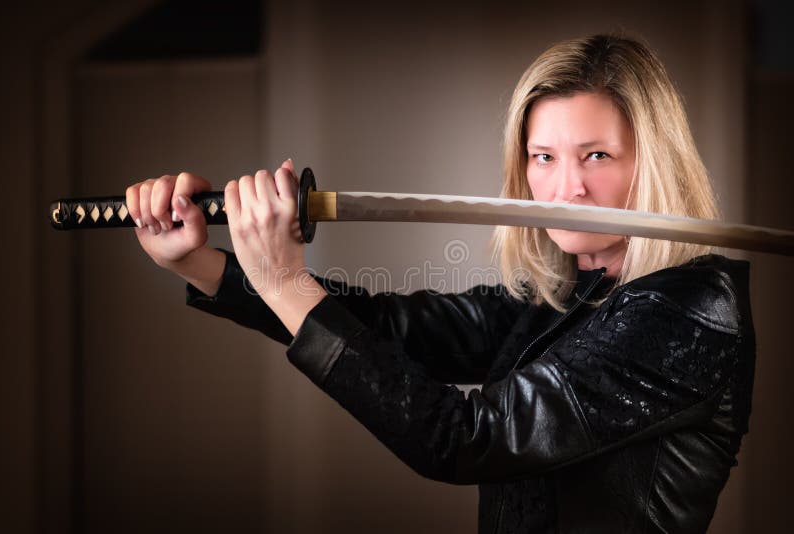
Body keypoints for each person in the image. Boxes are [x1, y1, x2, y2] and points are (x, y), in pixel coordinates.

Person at [125, 34, 755, 533]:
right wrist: (201, 263)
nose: (568, 189)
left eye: (596, 155)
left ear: (653, 161)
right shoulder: (573, 290)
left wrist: (283, 278)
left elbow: (464, 439)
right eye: (544, 157)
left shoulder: (693, 308)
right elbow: (395, 330)